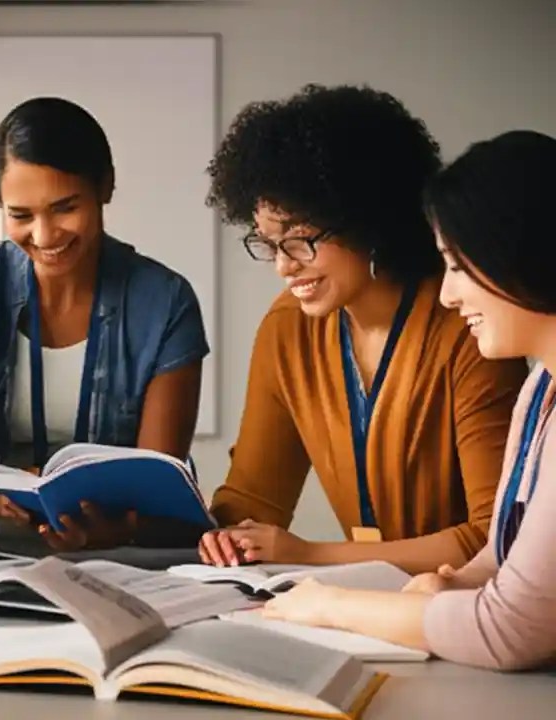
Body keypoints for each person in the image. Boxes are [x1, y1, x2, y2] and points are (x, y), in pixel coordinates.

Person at [198, 85, 529, 574]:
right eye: (269, 244)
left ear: (368, 221)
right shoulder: (287, 329)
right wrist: (220, 540)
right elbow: (252, 500)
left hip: (467, 601)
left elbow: (492, 534)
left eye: (301, 240)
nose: (283, 268)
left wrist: (310, 556)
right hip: (367, 603)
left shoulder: (470, 327)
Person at [261, 130, 556, 671]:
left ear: (521, 252)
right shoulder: (541, 391)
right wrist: (449, 582)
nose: (447, 293)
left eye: (458, 265)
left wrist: (330, 604)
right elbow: (501, 554)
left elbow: (510, 630)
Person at [0, 97, 211, 555]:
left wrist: (109, 529)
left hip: (128, 556)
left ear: (105, 187)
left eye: (65, 207)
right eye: (20, 215)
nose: (45, 235)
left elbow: (161, 485)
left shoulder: (165, 301)